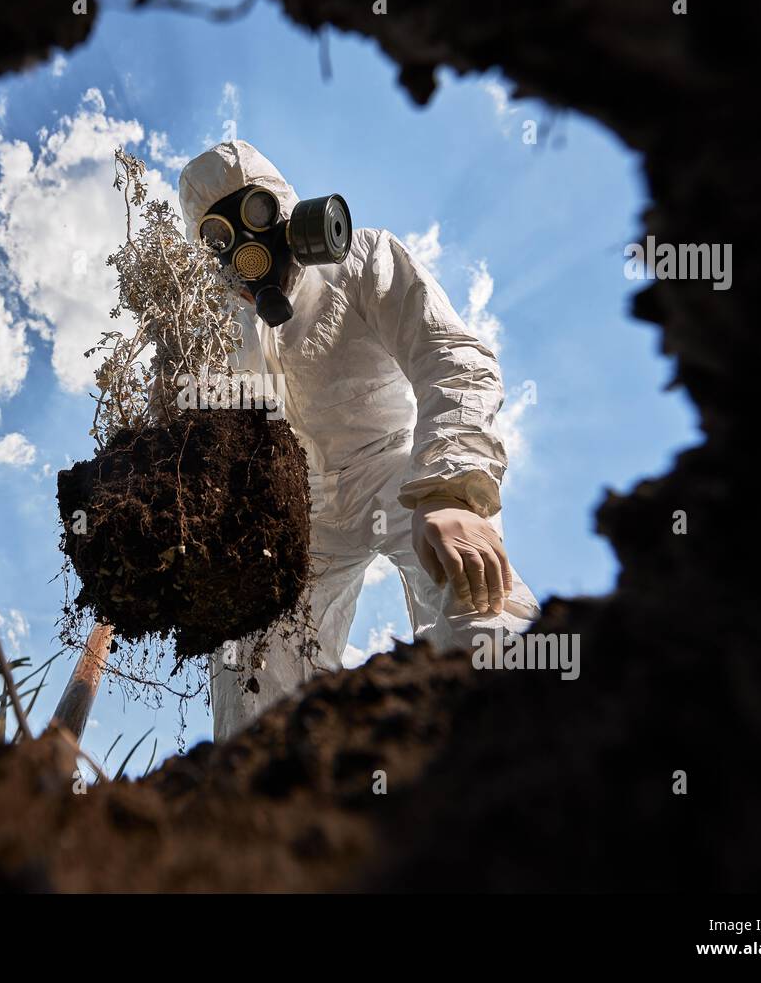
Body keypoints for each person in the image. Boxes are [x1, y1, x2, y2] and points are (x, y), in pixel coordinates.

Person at [177, 140, 540, 741]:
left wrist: (448, 490)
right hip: (297, 514)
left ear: (292, 211)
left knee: (475, 597)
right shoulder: (219, 326)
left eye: (257, 215)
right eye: (219, 239)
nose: (246, 250)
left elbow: (454, 361)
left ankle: (510, 766)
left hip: (396, 471)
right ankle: (273, 814)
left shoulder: (365, 259)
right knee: (249, 666)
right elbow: (209, 443)